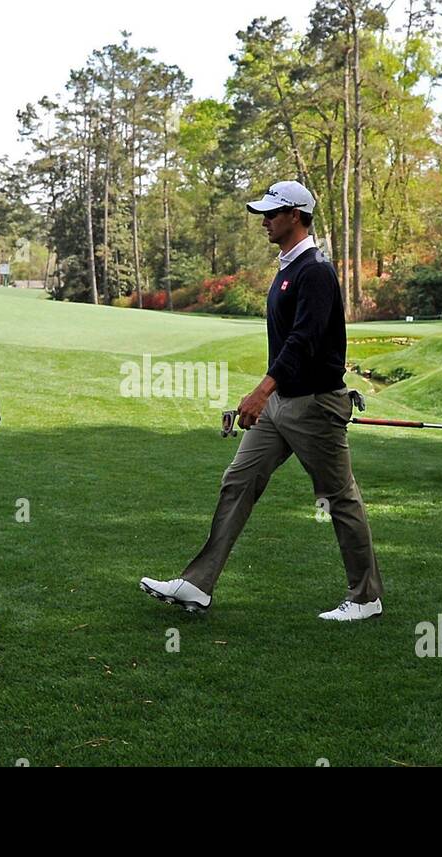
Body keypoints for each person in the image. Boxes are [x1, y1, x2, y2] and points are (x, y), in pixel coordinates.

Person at [140, 181, 385, 622]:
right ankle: (197, 584)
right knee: (239, 480)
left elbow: (304, 340)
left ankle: (366, 597)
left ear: (296, 215)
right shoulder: (289, 267)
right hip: (282, 405)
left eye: (271, 213)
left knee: (340, 498)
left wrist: (261, 390)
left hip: (315, 406)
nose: (264, 221)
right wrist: (268, 394)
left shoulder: (316, 271)